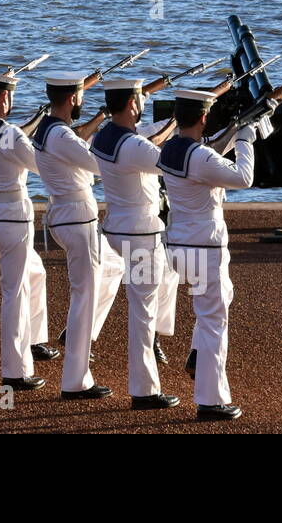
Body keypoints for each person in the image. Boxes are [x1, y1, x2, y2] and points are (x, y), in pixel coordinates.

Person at [158, 89, 257, 421]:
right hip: (205, 246)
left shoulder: (171, 147)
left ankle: (198, 357)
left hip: (180, 243)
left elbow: (205, 157)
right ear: (203, 118)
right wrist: (244, 138)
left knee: (216, 303)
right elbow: (244, 177)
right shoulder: (200, 157)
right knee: (215, 319)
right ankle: (210, 400)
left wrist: (232, 132)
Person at [31, 71, 124, 400]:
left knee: (114, 267)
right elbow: (101, 166)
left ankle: (77, 337)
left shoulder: (49, 129)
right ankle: (76, 381)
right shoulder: (63, 137)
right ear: (72, 99)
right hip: (76, 217)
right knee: (84, 296)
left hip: (66, 214)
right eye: (81, 95)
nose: (84, 100)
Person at [90, 78, 180, 409]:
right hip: (140, 234)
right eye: (140, 99)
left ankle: (154, 339)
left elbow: (148, 145)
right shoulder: (133, 145)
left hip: (117, 226)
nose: (142, 103)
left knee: (166, 279)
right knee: (142, 312)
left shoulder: (104, 135)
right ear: (132, 104)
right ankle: (144, 391)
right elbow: (172, 164)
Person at [0, 71, 57, 391]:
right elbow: (40, 166)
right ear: (6, 98)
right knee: (14, 294)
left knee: (36, 272)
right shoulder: (12, 134)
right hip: (13, 218)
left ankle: (34, 340)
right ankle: (15, 371)